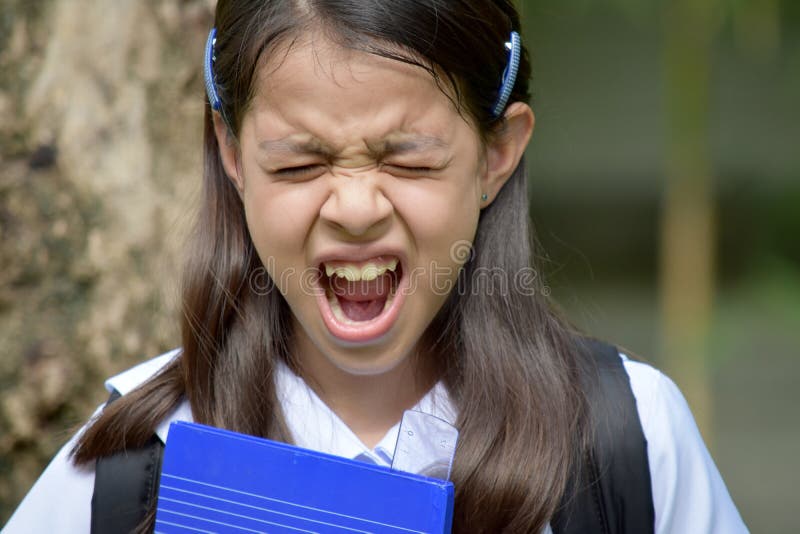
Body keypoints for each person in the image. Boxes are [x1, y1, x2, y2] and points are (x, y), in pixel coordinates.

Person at [4, 1, 747, 533]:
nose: (355, 207)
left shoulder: (626, 441)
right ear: (233, 156)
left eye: (408, 158)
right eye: (300, 162)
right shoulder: (132, 468)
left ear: (495, 154)